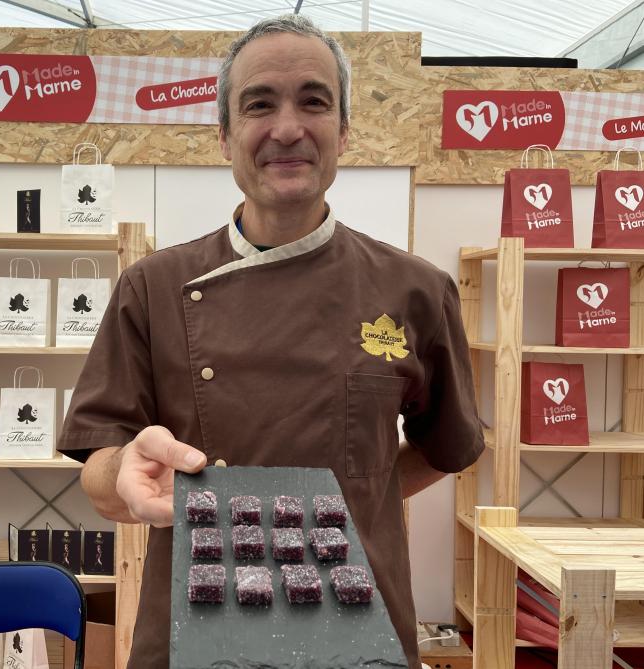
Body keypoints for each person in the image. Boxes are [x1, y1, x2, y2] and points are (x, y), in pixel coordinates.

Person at [58, 14, 484, 669]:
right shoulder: (153, 287)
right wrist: (125, 471)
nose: (288, 128)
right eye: (259, 104)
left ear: (343, 130)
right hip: (193, 627)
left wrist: (344, 501)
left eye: (314, 101)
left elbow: (447, 446)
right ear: (225, 135)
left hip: (356, 623)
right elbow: (101, 475)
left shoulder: (416, 290)